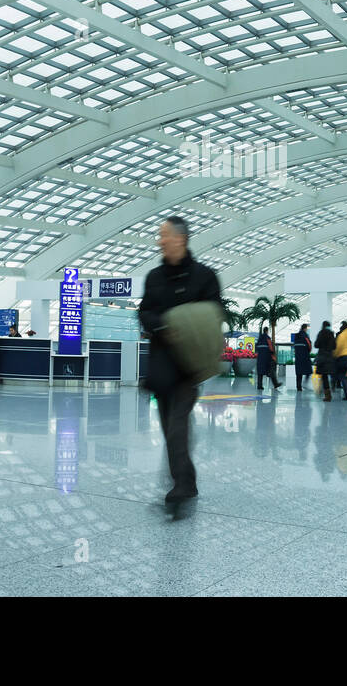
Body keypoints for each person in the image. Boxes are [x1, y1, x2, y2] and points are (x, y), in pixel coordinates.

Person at [137, 216, 222, 517]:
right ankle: (186, 479)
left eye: (164, 235)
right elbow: (144, 312)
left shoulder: (205, 277)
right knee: (168, 426)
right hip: (162, 368)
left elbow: (215, 313)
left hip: (188, 366)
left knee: (177, 426)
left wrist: (187, 328)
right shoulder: (154, 277)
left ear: (181, 239)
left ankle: (182, 485)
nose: (159, 240)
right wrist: (165, 326)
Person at [315, 321, 336, 402]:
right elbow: (334, 346)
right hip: (330, 357)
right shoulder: (331, 334)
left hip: (322, 357)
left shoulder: (321, 333)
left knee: (324, 376)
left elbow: (316, 345)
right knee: (331, 374)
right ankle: (332, 386)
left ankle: (327, 395)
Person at [333, 320, 347, 401]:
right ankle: (346, 390)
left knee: (341, 374)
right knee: (345, 374)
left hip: (342, 357)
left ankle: (346, 393)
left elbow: (337, 347)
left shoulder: (340, 335)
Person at [255, 326, 281, 392]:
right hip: (267, 358)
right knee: (271, 371)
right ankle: (275, 384)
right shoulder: (267, 338)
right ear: (267, 331)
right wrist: (272, 355)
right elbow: (271, 349)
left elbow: (256, 348)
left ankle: (259, 386)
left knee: (260, 372)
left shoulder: (259, 339)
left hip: (260, 358)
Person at [293, 323, 312, 391]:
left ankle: (299, 387)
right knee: (309, 370)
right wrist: (308, 351)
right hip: (305, 355)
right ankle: (305, 383)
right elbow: (309, 345)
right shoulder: (305, 335)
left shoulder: (297, 335)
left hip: (298, 356)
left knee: (299, 372)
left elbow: (294, 345)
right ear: (305, 328)